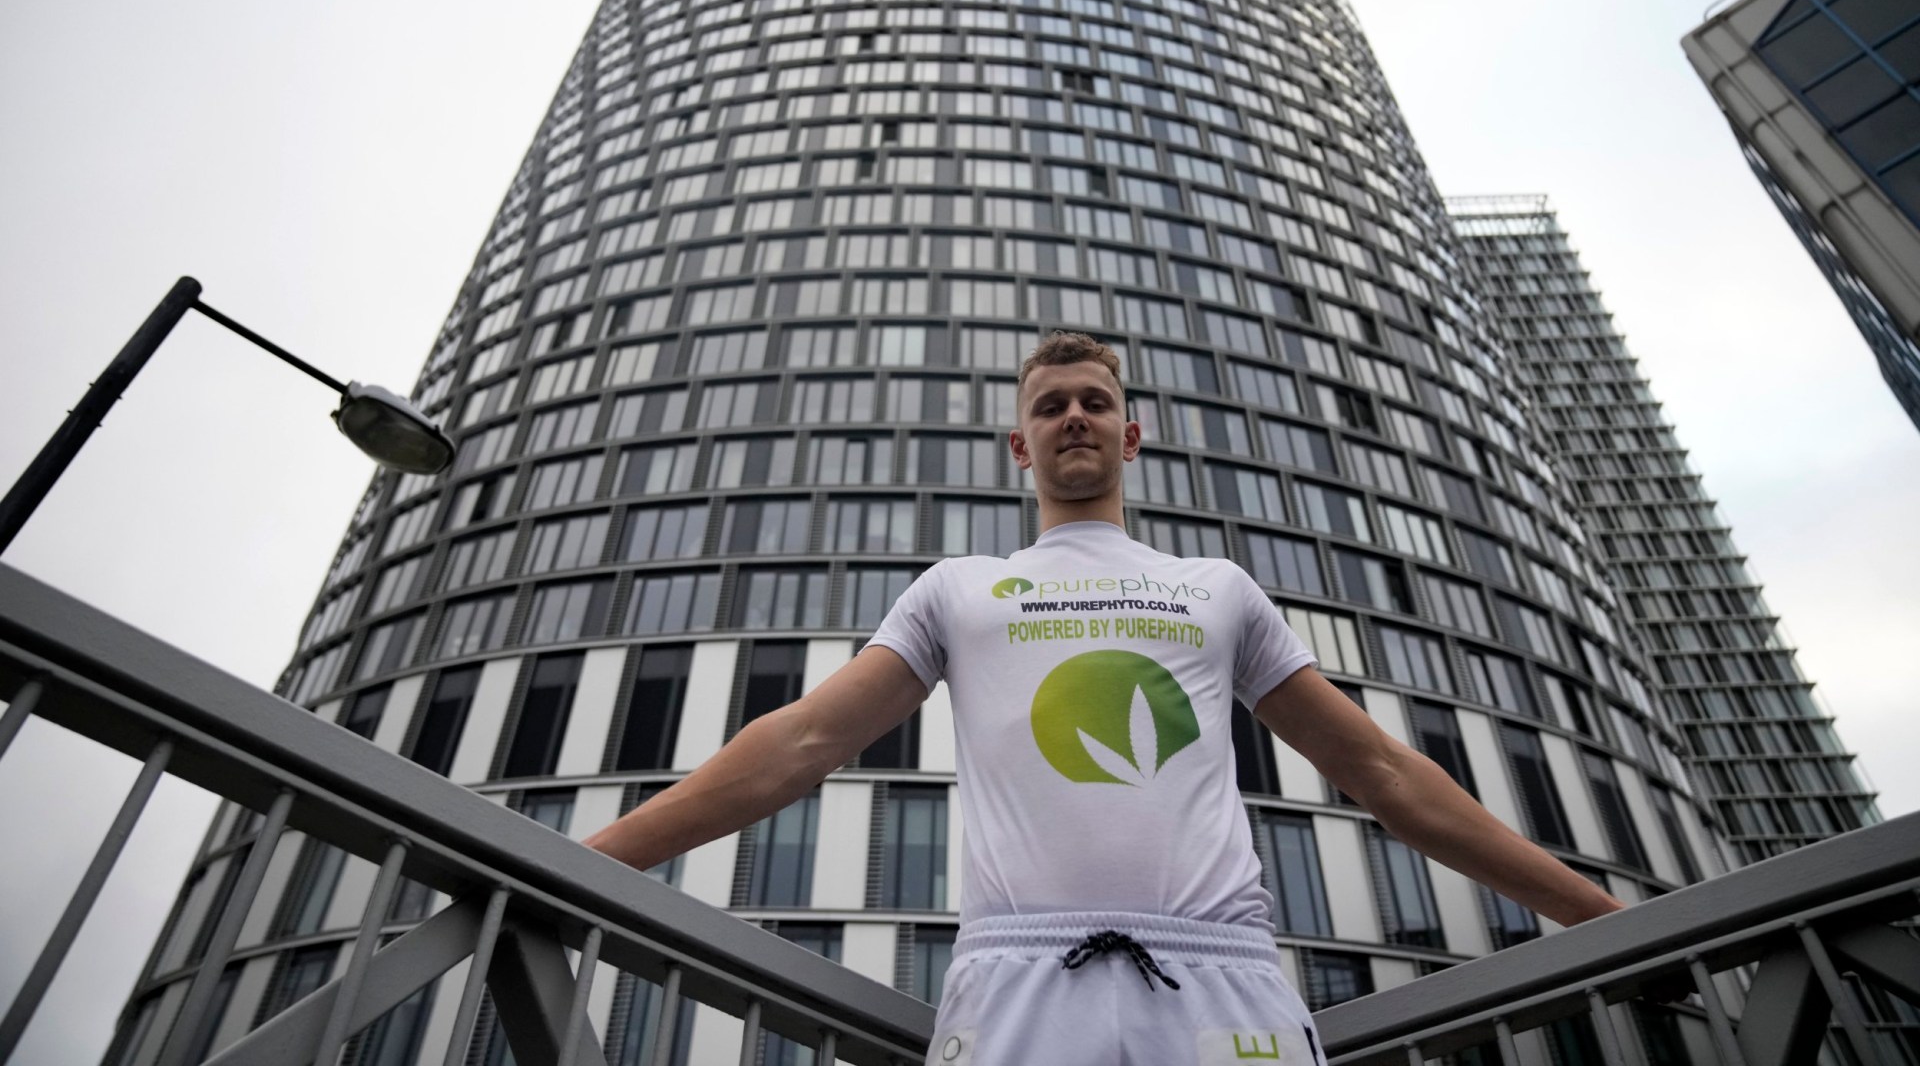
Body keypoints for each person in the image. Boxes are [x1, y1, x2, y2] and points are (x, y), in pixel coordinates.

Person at [585, 331, 1623, 1065]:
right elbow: (802, 739)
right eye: (1049, 405)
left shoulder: (1216, 588)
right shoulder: (961, 586)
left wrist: (1601, 920)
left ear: (1133, 435)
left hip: (1222, 982)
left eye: (1094, 401)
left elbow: (1387, 774)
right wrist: (582, 864)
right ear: (1018, 447)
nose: (1073, 414)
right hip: (1020, 979)